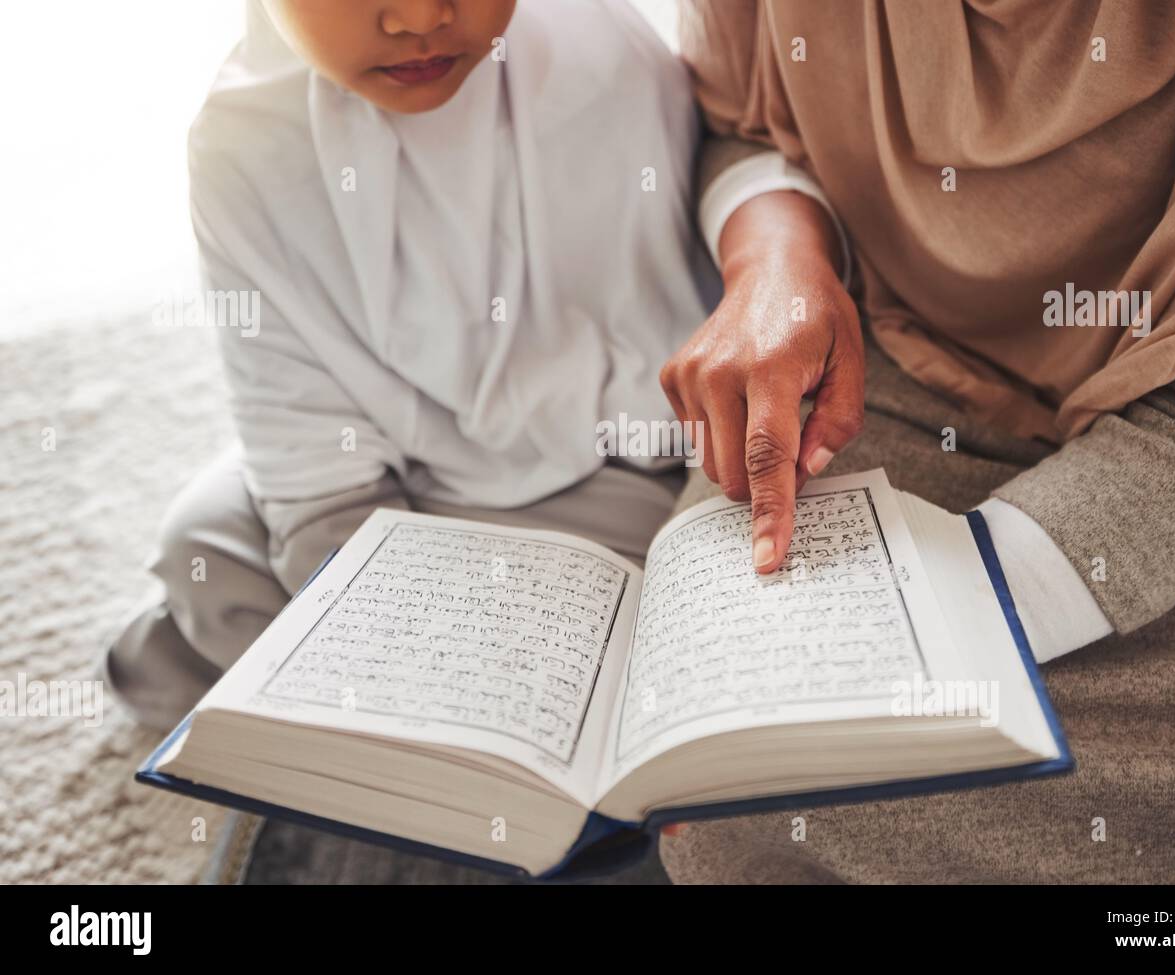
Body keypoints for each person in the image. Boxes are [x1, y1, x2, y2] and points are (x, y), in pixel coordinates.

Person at [657, 0, 1175, 882]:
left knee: (790, 788)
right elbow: (738, 121)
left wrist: (915, 631)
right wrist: (778, 259)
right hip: (892, 360)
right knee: (727, 781)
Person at [102, 0, 718, 731]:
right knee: (202, 544)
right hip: (392, 478)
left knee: (657, 596)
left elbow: (674, 363)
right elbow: (310, 469)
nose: (422, 17)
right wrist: (405, 628)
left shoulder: (602, 59)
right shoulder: (241, 141)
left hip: (611, 474)